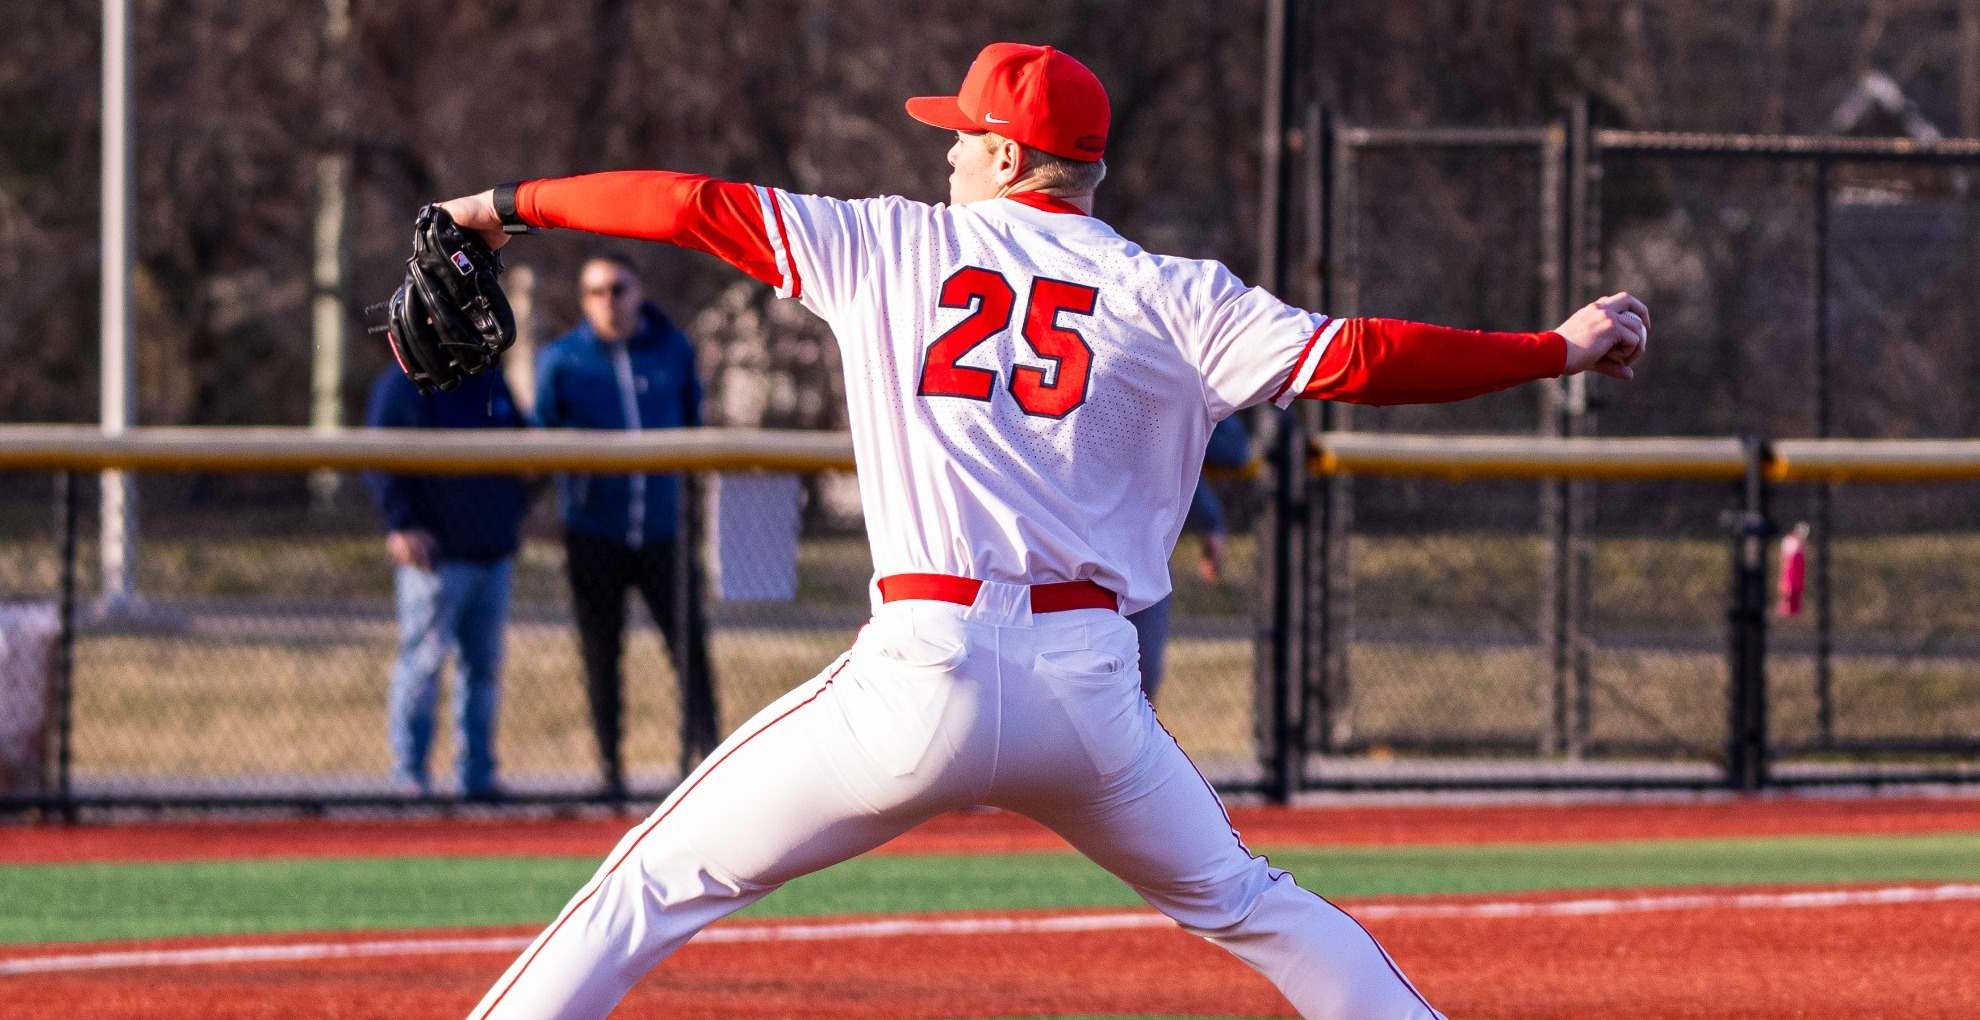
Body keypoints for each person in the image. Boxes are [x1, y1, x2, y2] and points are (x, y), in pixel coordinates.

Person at [439, 42, 1647, 1020]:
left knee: (653, 881)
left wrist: (499, 208)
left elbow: (685, 206)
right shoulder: (1179, 293)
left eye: (962, 133)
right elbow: (1367, 357)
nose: (950, 150)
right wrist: (1557, 348)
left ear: (1009, 153)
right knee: (1250, 903)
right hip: (1089, 693)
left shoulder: (887, 243)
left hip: (921, 677)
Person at [535, 254, 720, 799]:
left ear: (638, 292)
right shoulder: (563, 360)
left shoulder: (672, 351)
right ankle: (609, 769)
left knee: (689, 649)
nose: (607, 302)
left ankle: (708, 762)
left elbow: (694, 426)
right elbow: (541, 438)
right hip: (596, 531)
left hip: (664, 531)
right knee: (600, 651)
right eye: (594, 292)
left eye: (617, 289)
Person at [363, 367, 530, 801]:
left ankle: (477, 776)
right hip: (435, 558)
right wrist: (401, 523)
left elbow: (526, 450)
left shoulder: (489, 379)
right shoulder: (403, 383)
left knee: (484, 669)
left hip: (490, 552)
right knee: (423, 665)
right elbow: (378, 459)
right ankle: (409, 775)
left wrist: (510, 513)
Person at [1127, 414, 1250, 703]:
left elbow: (1234, 449)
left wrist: (1210, 520)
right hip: (1072, 555)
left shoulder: (1166, 377)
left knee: (1140, 683)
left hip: (1139, 553)